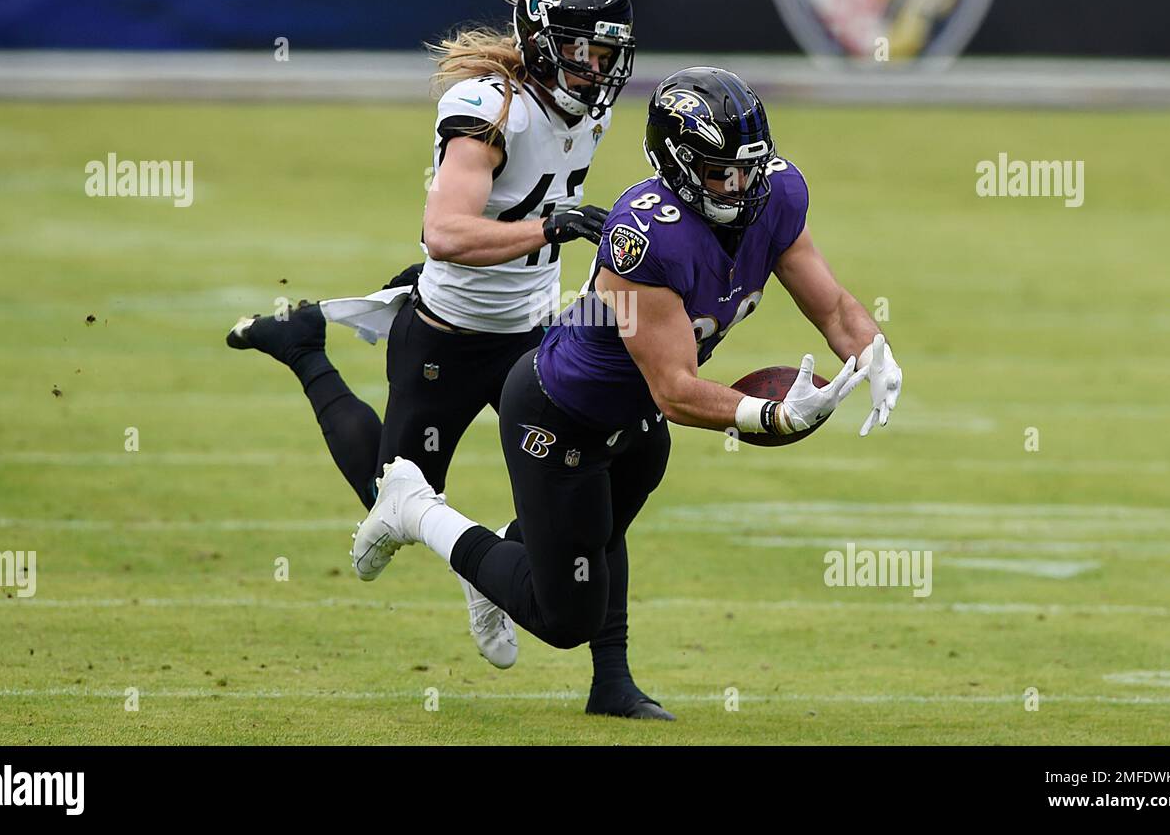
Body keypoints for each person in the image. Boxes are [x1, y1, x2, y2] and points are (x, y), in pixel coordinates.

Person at [351, 66, 904, 709]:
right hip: (559, 415)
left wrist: (873, 351)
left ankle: (611, 685)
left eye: (751, 167)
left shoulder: (775, 198)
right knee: (562, 617)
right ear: (679, 163)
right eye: (723, 170)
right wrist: (770, 417)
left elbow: (833, 307)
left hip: (635, 418)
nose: (741, 184)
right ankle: (415, 511)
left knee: (606, 534)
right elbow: (675, 388)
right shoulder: (643, 238)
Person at [227, 0, 663, 718]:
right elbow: (444, 232)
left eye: (606, 54)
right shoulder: (488, 108)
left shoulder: (589, 110)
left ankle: (610, 679)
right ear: (540, 41)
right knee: (387, 494)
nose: (596, 70)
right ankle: (305, 349)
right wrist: (551, 226)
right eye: (581, 51)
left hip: (533, 335)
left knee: (600, 474)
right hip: (448, 337)